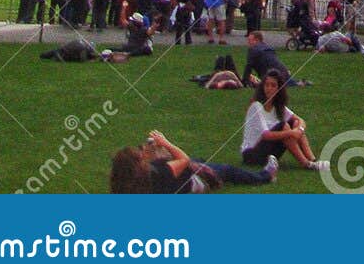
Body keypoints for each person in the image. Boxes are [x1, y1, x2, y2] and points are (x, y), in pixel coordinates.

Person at [110, 130, 277, 193]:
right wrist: (164, 142)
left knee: (200, 161)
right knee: (226, 170)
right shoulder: (158, 171)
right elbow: (183, 159)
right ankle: (265, 176)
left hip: (181, 179)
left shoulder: (124, 189)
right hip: (193, 182)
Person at [241, 70, 319, 169]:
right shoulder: (256, 106)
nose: (269, 88)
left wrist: (299, 129)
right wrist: (292, 133)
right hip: (252, 154)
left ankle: (312, 159)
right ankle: (306, 164)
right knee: (284, 126)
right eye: (267, 85)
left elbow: (300, 120)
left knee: (294, 123)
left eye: (273, 86)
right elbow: (265, 135)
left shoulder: (278, 106)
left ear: (279, 89)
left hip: (269, 151)